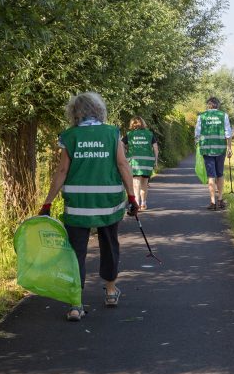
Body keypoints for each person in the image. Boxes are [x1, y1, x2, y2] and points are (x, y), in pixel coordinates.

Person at [38, 92, 139, 321]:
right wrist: (132, 197)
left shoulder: (70, 136)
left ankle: (76, 304)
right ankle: (111, 291)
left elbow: (62, 171)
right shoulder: (112, 133)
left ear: (74, 113)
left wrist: (48, 202)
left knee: (76, 253)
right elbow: (123, 165)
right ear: (99, 110)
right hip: (108, 204)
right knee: (109, 245)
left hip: (78, 206)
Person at [194, 97, 232, 210]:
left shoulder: (202, 116)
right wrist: (229, 148)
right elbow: (228, 133)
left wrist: (197, 145)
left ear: (208, 105)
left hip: (207, 149)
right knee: (220, 174)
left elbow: (197, 133)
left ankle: (212, 202)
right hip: (220, 149)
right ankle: (220, 200)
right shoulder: (223, 115)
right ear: (218, 105)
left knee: (211, 176)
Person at [122, 116, 159, 210]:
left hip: (134, 162)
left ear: (132, 124)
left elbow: (121, 144)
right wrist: (156, 161)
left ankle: (137, 203)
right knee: (144, 183)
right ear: (143, 123)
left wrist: (125, 152)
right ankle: (143, 203)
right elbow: (155, 148)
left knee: (136, 183)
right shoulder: (149, 134)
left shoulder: (129, 134)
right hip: (147, 162)